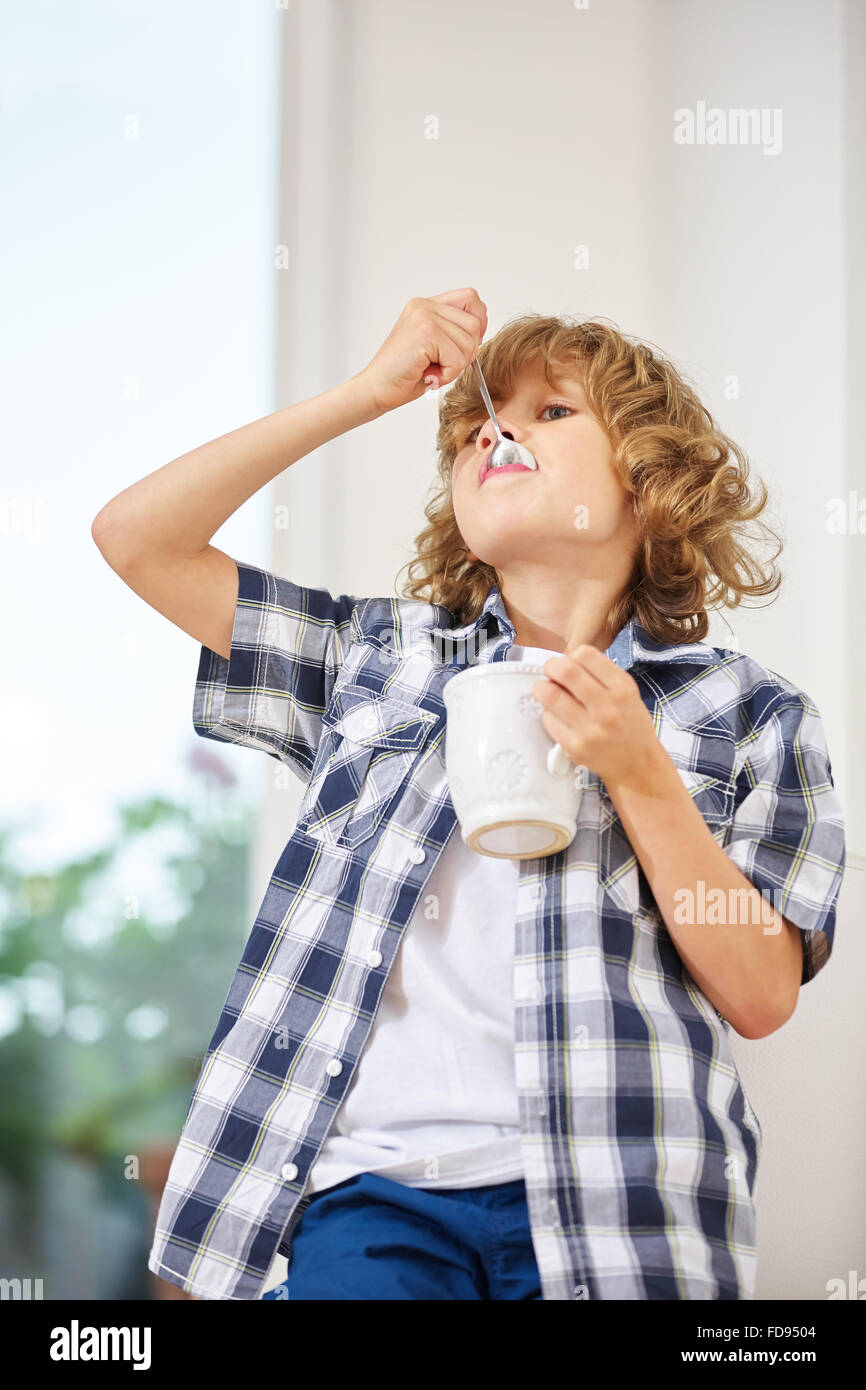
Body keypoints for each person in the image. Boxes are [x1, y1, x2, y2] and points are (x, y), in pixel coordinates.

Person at [91, 288, 846, 1301]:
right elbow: (136, 538)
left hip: (622, 1208)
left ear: (647, 479)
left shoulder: (749, 710)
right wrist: (362, 394)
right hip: (371, 1196)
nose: (496, 428)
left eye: (550, 411)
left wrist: (638, 775)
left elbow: (760, 993)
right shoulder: (377, 660)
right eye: (479, 423)